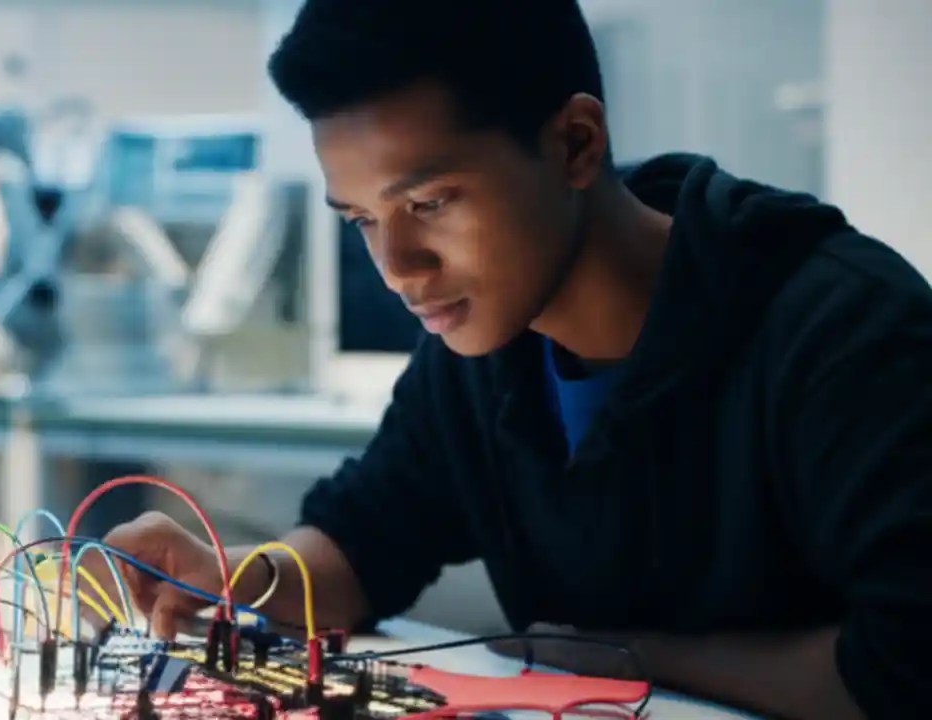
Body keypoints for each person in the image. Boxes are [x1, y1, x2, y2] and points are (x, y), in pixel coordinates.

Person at [85, 2, 931, 718]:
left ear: (575, 144)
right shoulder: (479, 349)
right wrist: (226, 578)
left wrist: (627, 658)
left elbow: (907, 666)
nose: (398, 267)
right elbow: (361, 545)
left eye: (429, 202)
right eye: (363, 220)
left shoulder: (845, 330)